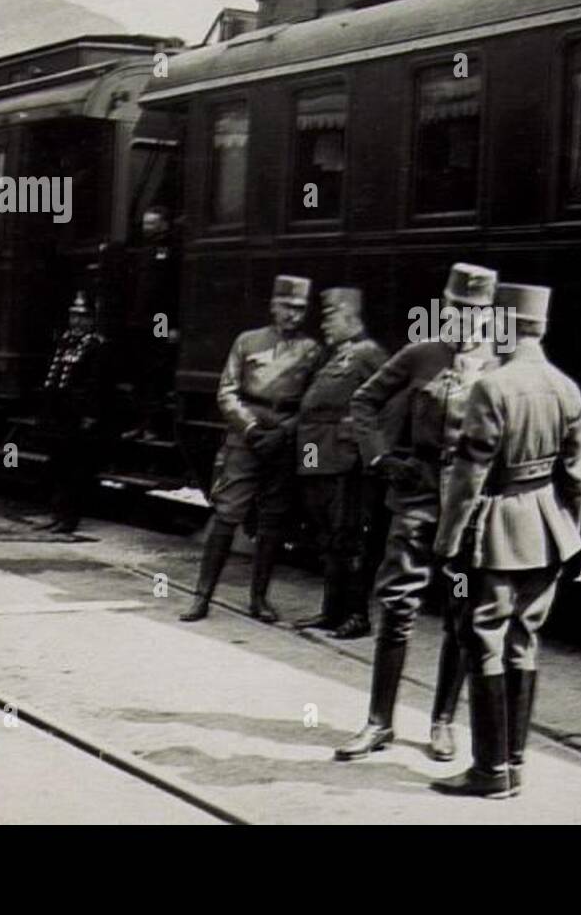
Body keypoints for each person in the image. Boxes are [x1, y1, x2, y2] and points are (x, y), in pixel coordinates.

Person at [335, 263, 499, 764]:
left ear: (489, 314)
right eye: (455, 309)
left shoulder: (500, 366)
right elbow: (363, 401)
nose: (464, 319)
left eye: (474, 311)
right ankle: (378, 723)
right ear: (443, 308)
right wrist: (382, 457)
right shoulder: (419, 354)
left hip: (470, 509)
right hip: (417, 498)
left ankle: (443, 723)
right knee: (398, 606)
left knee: (460, 613)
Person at [430, 283, 581, 799]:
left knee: (484, 640)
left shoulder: (492, 388)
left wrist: (449, 541)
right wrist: (566, 534)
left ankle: (489, 771)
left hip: (498, 528)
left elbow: (470, 473)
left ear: (506, 326)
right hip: (548, 529)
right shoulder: (567, 388)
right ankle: (515, 763)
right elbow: (576, 476)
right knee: (525, 640)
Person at [180, 275, 322, 623]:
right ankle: (202, 598)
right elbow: (227, 391)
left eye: (300, 309)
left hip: (284, 441)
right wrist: (251, 427)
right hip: (245, 438)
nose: (293, 315)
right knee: (227, 513)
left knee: (273, 520)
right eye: (287, 307)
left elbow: (312, 403)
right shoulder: (248, 341)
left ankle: (259, 599)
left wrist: (285, 431)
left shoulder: (312, 350)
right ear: (273, 305)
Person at [293, 288, 388, 639]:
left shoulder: (369, 354)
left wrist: (366, 443)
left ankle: (357, 616)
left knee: (349, 539)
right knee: (329, 538)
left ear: (350, 316)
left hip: (346, 461)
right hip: (319, 456)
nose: (324, 324)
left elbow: (389, 402)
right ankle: (331, 613)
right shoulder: (338, 355)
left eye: (330, 317)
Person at [37, 291, 108, 534]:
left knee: (73, 470)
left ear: (91, 320)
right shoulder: (65, 341)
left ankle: (69, 519)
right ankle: (57, 514)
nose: (76, 321)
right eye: (74, 316)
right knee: (57, 466)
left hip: (75, 416)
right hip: (59, 414)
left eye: (82, 317)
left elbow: (96, 384)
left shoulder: (94, 346)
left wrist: (89, 415)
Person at [122, 206, 180, 442]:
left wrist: (173, 325)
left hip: (161, 318)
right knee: (140, 371)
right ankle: (139, 423)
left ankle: (153, 426)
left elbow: (174, 290)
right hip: (141, 319)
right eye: (145, 224)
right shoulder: (144, 252)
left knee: (156, 370)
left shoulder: (173, 251)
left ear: (164, 225)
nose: (147, 228)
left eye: (152, 224)